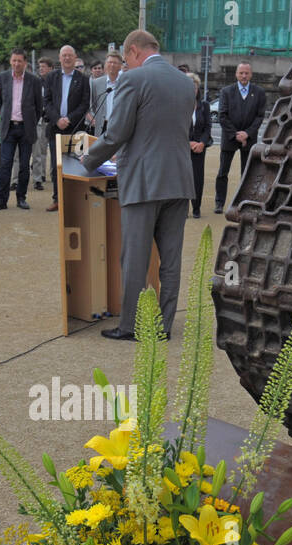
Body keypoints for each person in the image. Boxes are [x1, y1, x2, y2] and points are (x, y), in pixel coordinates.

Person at [81, 30, 194, 340]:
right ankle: (164, 327)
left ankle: (130, 326)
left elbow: (116, 134)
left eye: (126, 60)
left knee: (135, 258)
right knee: (171, 261)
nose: (125, 66)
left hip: (144, 182)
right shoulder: (186, 83)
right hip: (179, 181)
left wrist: (86, 161)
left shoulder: (135, 79)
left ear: (132, 51)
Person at [0, 49, 42, 211]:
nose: (16, 64)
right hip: (8, 128)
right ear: (10, 61)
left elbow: (38, 106)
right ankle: (1, 200)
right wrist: (6, 117)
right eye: (14, 60)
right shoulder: (3, 78)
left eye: (20, 61)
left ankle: (21, 198)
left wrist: (30, 121)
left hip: (26, 128)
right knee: (5, 164)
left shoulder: (34, 80)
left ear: (25, 62)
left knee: (24, 165)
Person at [214, 61, 265, 214]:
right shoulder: (226, 92)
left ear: (251, 74)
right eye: (241, 73)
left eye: (246, 73)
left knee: (247, 173)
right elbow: (222, 116)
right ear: (236, 74)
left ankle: (244, 203)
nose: (244, 76)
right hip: (230, 138)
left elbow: (259, 117)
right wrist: (235, 134)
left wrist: (247, 134)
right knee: (223, 172)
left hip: (249, 140)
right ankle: (219, 203)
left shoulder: (259, 92)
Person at [44, 45, 88, 212]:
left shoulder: (83, 79)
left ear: (75, 57)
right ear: (59, 57)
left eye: (70, 55)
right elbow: (46, 101)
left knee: (75, 166)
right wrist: (57, 119)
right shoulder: (51, 77)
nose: (67, 58)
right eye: (64, 55)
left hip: (75, 128)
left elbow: (85, 104)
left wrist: (69, 119)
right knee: (57, 166)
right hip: (55, 129)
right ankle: (58, 199)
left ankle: (74, 200)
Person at [188, 72, 212, 219]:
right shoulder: (178, 104)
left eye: (195, 87)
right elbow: (176, 127)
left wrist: (202, 143)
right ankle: (182, 208)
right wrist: (187, 143)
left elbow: (208, 127)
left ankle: (196, 207)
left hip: (199, 148)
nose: (192, 90)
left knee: (198, 178)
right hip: (183, 147)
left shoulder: (204, 106)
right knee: (183, 178)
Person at [88, 51, 122, 137]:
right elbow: (93, 105)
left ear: (120, 66)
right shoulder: (96, 83)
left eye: (115, 63)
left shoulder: (125, 82)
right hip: (102, 126)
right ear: (105, 65)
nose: (112, 65)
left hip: (119, 127)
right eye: (109, 62)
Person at [31, 58, 52, 190]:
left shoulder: (55, 81)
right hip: (39, 118)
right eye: (40, 67)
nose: (41, 69)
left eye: (43, 66)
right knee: (39, 147)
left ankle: (51, 173)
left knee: (46, 148)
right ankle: (41, 174)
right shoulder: (37, 82)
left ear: (50, 68)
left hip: (50, 118)